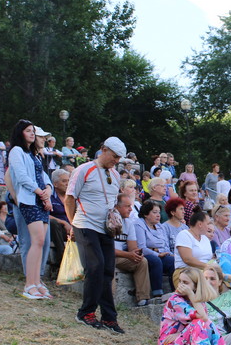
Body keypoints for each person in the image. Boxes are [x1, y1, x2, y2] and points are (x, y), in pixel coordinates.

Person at [64, 137, 128, 333]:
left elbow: (110, 202)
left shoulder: (115, 175)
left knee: (108, 270)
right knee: (95, 266)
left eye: (119, 158)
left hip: (105, 229)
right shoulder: (83, 170)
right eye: (114, 156)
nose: (116, 161)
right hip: (85, 224)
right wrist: (74, 224)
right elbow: (69, 199)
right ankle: (86, 312)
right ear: (103, 149)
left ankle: (109, 318)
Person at [8, 121, 53, 298]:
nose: (32, 134)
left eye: (33, 131)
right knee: (36, 241)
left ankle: (37, 282)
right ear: (20, 133)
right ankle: (29, 284)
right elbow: (21, 176)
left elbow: (43, 177)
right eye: (28, 131)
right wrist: (40, 193)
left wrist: (47, 192)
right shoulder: (16, 151)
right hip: (30, 201)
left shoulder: (34, 155)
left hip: (41, 201)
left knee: (41, 243)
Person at [110, 194, 151, 307]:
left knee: (142, 261)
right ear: (117, 207)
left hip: (122, 257)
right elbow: (107, 249)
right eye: (127, 206)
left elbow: (132, 247)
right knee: (109, 262)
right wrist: (129, 254)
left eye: (131, 206)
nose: (131, 209)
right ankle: (109, 299)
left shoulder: (128, 223)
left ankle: (143, 298)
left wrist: (136, 253)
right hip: (108, 255)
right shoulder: (109, 220)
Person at [133, 202, 175, 299]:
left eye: (159, 212)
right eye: (154, 212)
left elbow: (165, 245)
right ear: (146, 214)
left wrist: (165, 253)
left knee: (173, 261)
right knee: (156, 261)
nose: (158, 215)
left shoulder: (160, 226)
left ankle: (176, 292)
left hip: (161, 253)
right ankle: (157, 294)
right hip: (146, 254)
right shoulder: (139, 224)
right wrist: (157, 254)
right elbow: (142, 247)